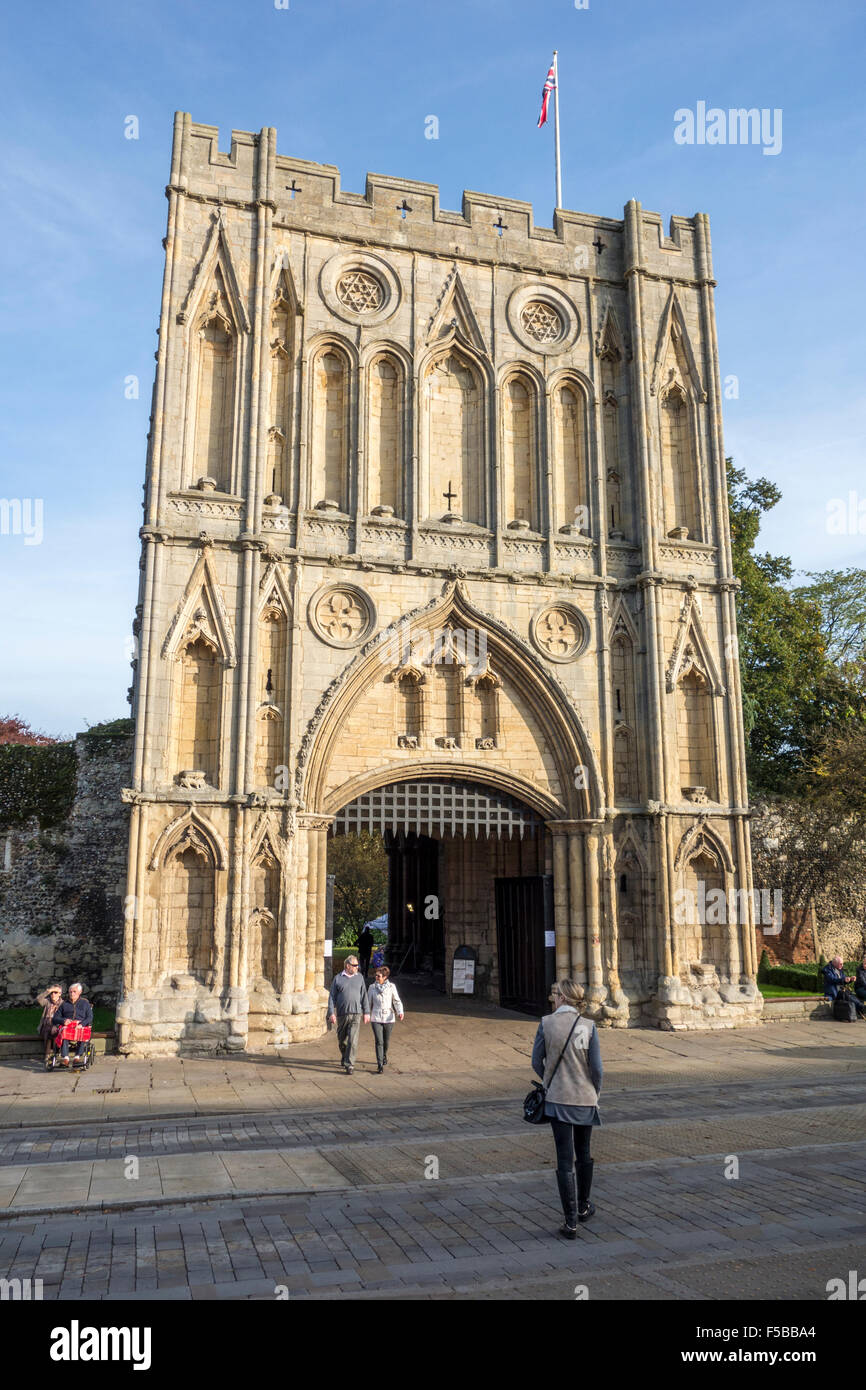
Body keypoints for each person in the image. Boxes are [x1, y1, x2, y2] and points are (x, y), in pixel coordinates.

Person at [532, 978, 602, 1240]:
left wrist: (549, 1079)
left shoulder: (546, 1023)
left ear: (562, 997)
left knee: (564, 1159)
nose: (553, 998)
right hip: (584, 1098)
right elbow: (597, 1068)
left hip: (558, 1098)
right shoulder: (588, 1025)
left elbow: (535, 1061)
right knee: (583, 1153)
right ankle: (584, 1206)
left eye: (555, 994)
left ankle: (570, 1222)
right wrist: (595, 1091)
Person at [327, 955, 370, 1074]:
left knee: (353, 1040)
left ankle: (350, 1064)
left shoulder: (360, 978)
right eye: (355, 965)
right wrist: (331, 1013)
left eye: (357, 965)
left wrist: (366, 1012)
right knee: (342, 1040)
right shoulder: (338, 979)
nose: (358, 967)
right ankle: (345, 1055)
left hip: (356, 1013)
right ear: (348, 966)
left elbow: (364, 996)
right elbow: (331, 997)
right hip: (342, 1014)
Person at [367, 965, 403, 1073]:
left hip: (388, 1017)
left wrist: (400, 1011)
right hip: (376, 1017)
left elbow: (396, 1000)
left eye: (378, 976)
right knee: (379, 1041)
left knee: (386, 1041)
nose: (376, 977)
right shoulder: (372, 987)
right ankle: (380, 1064)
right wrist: (366, 1013)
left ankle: (384, 1055)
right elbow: (368, 1002)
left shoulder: (392, 987)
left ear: (385, 977)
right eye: (376, 975)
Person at [53, 982, 93, 1067]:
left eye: (74, 991)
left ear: (80, 992)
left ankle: (77, 1057)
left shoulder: (85, 1003)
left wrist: (82, 1024)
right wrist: (63, 1020)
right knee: (63, 1031)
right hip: (68, 1026)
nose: (72, 993)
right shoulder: (64, 1004)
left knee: (83, 1033)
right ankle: (66, 1059)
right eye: (70, 992)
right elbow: (55, 1018)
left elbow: (89, 1017)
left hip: (80, 1026)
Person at [36, 983, 63, 1064]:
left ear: (60, 994)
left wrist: (56, 1025)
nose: (53, 994)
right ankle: (52, 1055)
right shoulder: (47, 1002)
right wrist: (49, 990)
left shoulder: (63, 1004)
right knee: (49, 1031)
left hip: (58, 1026)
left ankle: (48, 1055)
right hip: (46, 1026)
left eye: (56, 992)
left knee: (53, 1032)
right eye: (52, 993)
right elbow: (38, 999)